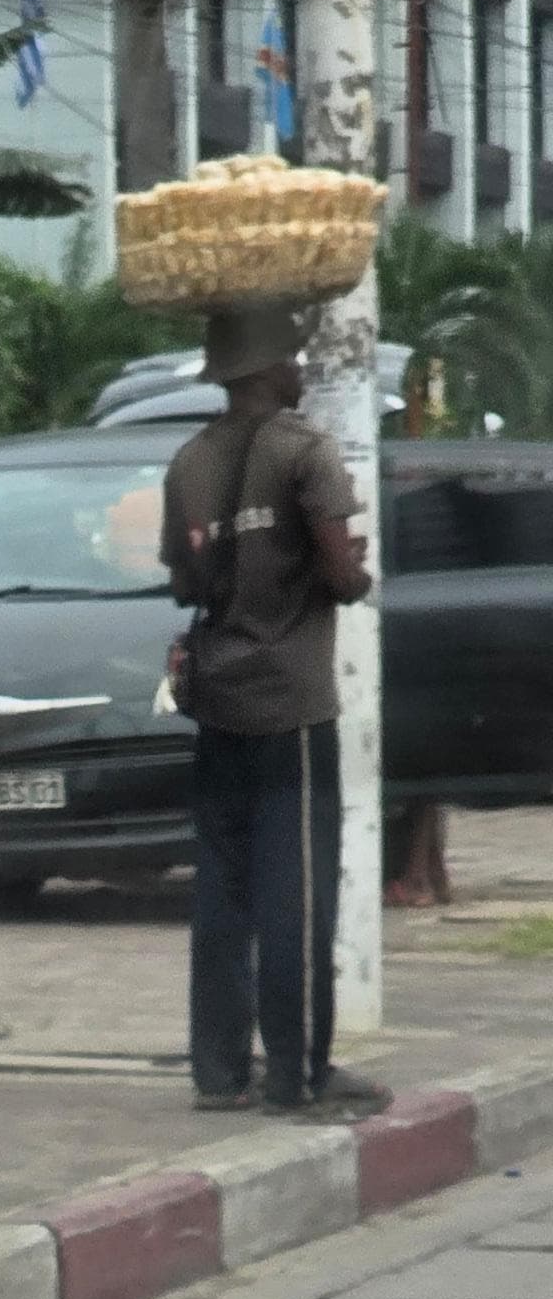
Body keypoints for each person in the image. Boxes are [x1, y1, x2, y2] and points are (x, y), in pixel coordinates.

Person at [160, 308, 394, 1122]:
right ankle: (299, 1075)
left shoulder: (188, 463)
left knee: (221, 892)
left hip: (218, 703)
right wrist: (353, 570)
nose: (301, 371)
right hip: (291, 706)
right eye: (291, 360)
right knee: (295, 894)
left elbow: (185, 584)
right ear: (267, 371)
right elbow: (342, 574)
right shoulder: (307, 451)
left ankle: (220, 1073)